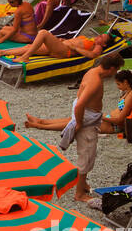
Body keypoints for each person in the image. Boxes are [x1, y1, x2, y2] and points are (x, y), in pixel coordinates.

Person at [51, 51, 124, 204]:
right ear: (111, 68)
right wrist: (78, 123)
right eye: (116, 70)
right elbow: (79, 104)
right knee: (86, 156)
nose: (115, 73)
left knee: (87, 154)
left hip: (88, 116)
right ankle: (79, 194)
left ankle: (82, 183)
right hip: (86, 120)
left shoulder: (93, 71)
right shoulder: (95, 81)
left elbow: (79, 97)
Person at [0, 28, 112, 63]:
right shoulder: (90, 40)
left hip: (65, 52)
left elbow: (92, 55)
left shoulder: (98, 47)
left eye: (102, 38)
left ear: (104, 43)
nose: (99, 36)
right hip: (60, 46)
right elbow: (73, 41)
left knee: (43, 33)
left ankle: (25, 57)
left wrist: (75, 47)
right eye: (100, 35)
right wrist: (63, 40)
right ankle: (1, 52)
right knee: (29, 47)